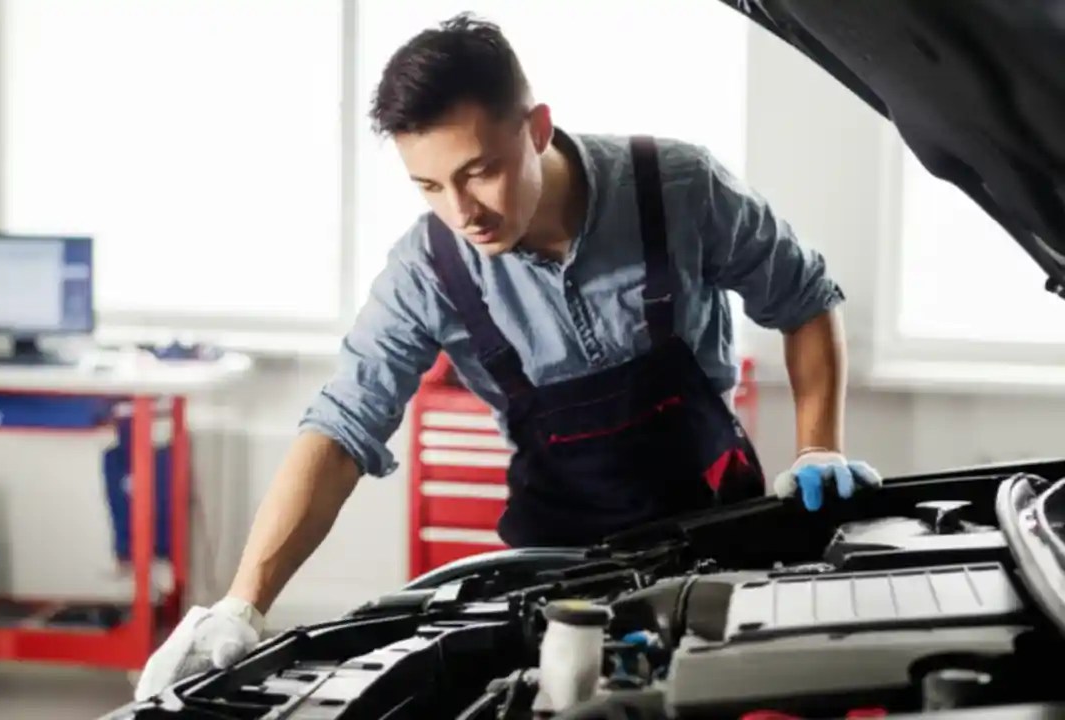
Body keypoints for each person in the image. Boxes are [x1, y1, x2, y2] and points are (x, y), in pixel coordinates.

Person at [132, 13, 881, 699]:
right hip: (558, 567)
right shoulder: (426, 272)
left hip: (720, 539)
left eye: (478, 171)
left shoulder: (679, 188)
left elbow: (805, 299)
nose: (462, 213)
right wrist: (242, 602)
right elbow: (341, 429)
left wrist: (819, 447)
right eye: (429, 186)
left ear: (538, 128)